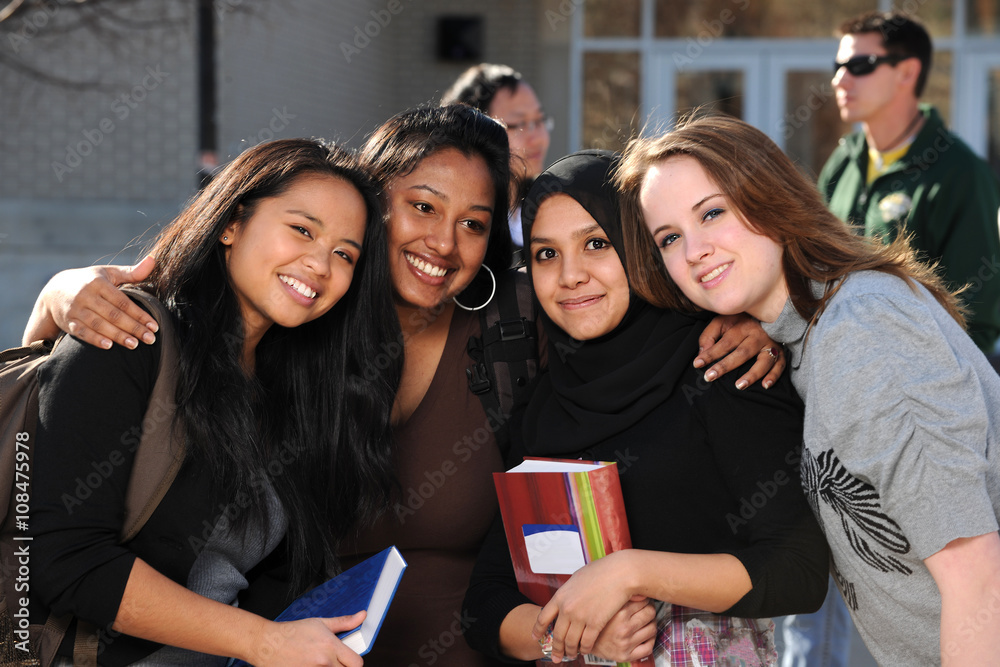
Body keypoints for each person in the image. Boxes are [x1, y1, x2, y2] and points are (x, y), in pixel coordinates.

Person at [23, 106, 786, 667]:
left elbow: (615, 300)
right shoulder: (299, 331)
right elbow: (69, 490)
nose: (442, 242)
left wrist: (750, 324)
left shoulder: (516, 333)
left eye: (475, 222)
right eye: (421, 206)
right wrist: (64, 292)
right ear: (376, 201)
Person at [617, 113, 1000, 665]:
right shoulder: (811, 335)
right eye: (670, 238)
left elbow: (977, 577)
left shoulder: (862, 328)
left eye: (713, 213)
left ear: (769, 198)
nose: (694, 249)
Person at [29, 138, 401, 666]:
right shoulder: (132, 337)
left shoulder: (294, 390)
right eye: (302, 229)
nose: (320, 264)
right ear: (231, 223)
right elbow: (66, 559)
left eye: (345, 254)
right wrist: (261, 642)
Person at [463, 150, 829, 666]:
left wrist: (629, 573)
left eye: (596, 244)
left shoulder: (723, 365)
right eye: (546, 254)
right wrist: (571, 637)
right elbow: (486, 603)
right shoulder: (545, 408)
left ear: (640, 250)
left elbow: (799, 571)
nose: (570, 275)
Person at [819, 10, 1000, 353]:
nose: (839, 80)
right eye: (838, 67)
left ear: (907, 71)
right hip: (836, 370)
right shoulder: (842, 162)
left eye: (860, 65)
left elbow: (975, 320)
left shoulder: (962, 174)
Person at [440, 63, 553, 248]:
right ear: (475, 130)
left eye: (540, 121)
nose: (538, 139)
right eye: (519, 124)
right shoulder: (459, 225)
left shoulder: (547, 207)